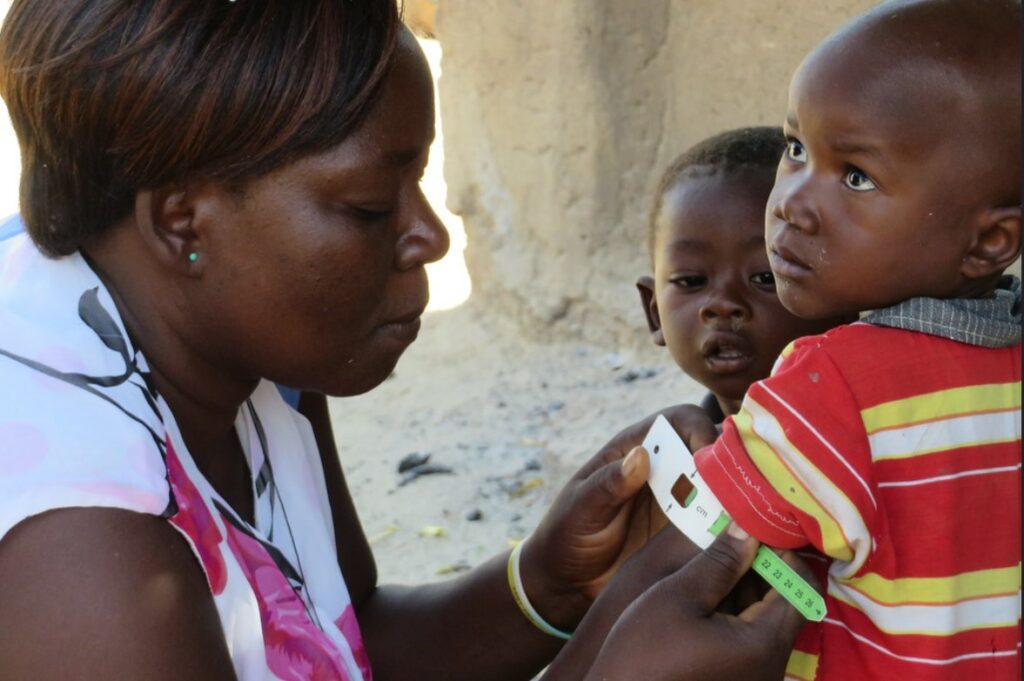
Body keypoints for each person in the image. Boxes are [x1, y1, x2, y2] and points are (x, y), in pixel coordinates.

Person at [0, 2, 808, 679]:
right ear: (182, 222)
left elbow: (342, 645)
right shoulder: (82, 557)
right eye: (366, 206)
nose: (430, 237)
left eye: (419, 177)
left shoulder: (244, 353)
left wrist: (549, 584)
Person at [689, 0, 1023, 678]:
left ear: (990, 241)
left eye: (856, 176)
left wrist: (687, 458)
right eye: (795, 149)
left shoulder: (834, 385)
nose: (790, 203)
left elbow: (703, 532)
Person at [636, 127, 850, 425]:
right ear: (654, 311)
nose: (723, 304)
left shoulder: (870, 442)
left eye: (765, 277)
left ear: (847, 306)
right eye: (691, 281)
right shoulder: (675, 457)